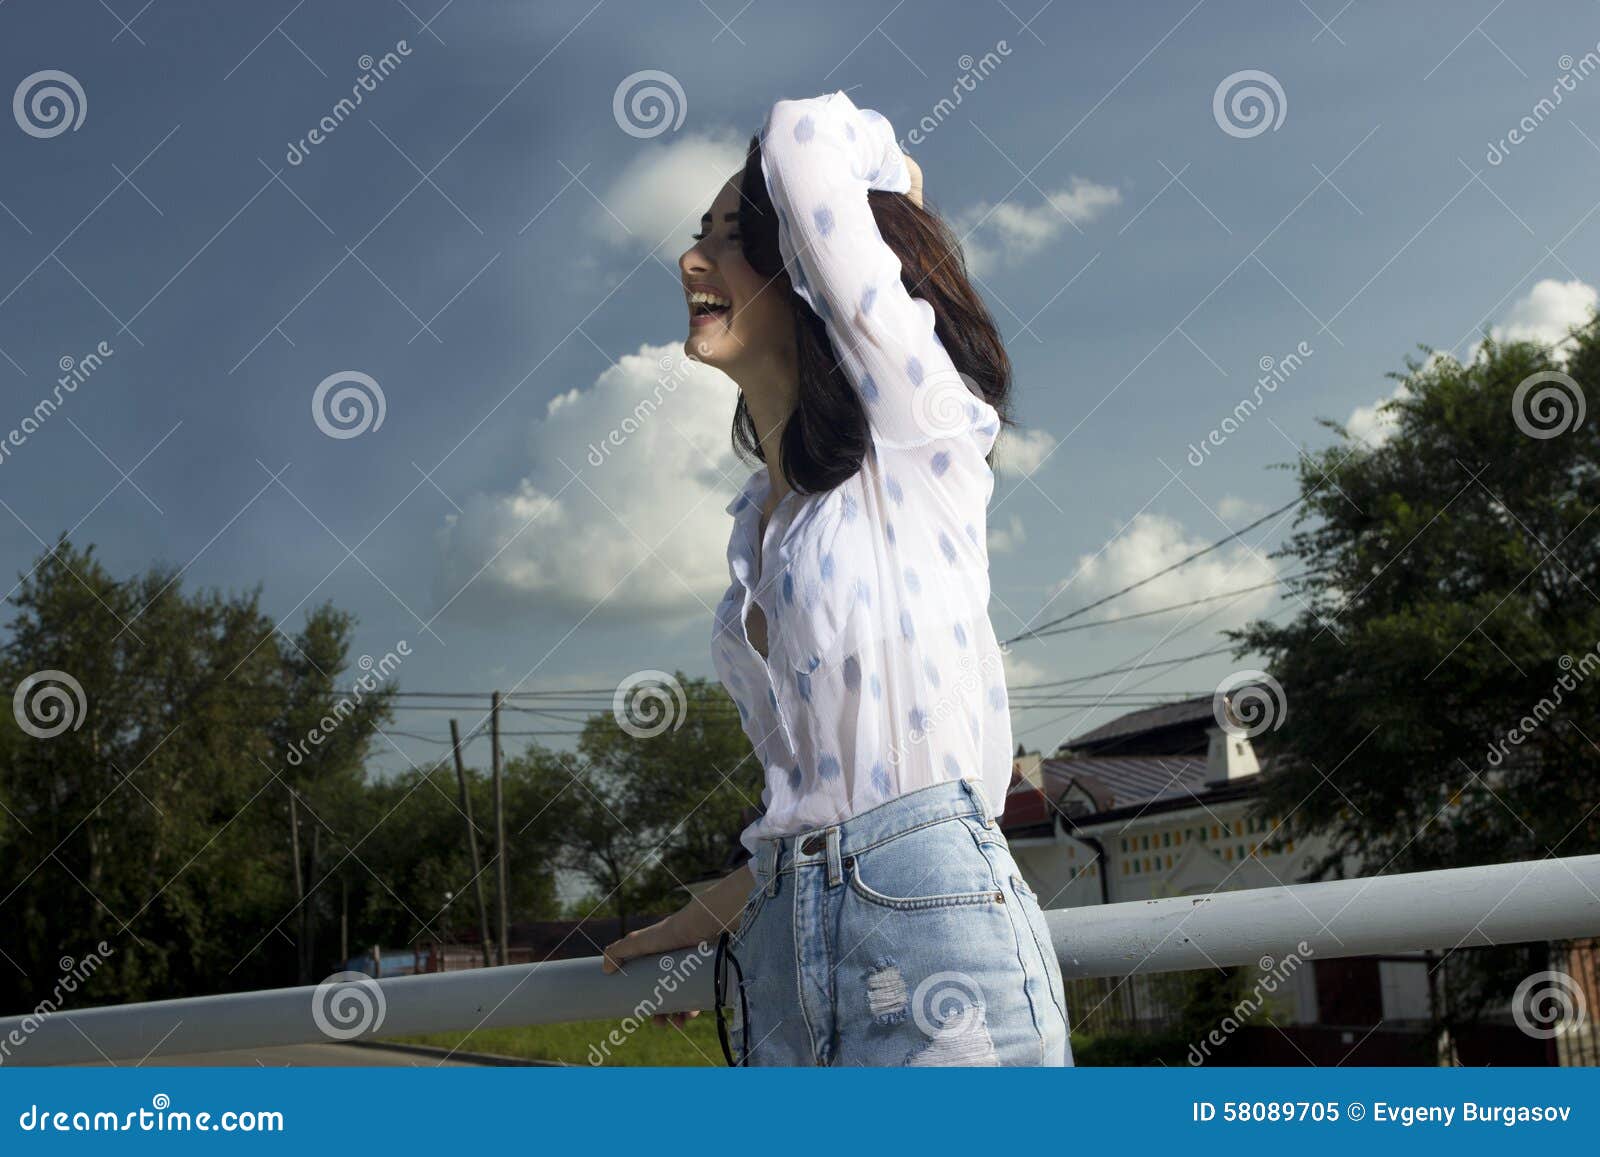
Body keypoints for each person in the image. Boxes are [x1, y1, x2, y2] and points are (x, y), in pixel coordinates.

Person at [601, 89, 1071, 1067]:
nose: (692, 260)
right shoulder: (755, 532)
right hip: (781, 944)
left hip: (929, 930)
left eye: (732, 237)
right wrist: (719, 906)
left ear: (809, 269)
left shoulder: (913, 426)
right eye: (700, 237)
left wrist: (894, 188)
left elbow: (806, 130)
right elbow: (821, 800)